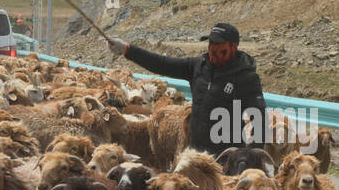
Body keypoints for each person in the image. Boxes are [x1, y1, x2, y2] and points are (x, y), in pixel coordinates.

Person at [107, 22, 267, 153]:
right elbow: (161, 64)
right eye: (210, 42)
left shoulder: (247, 78)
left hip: (226, 158)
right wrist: (127, 50)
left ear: (233, 47)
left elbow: (259, 120)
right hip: (195, 154)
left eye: (218, 44)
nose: (212, 48)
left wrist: (250, 156)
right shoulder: (197, 66)